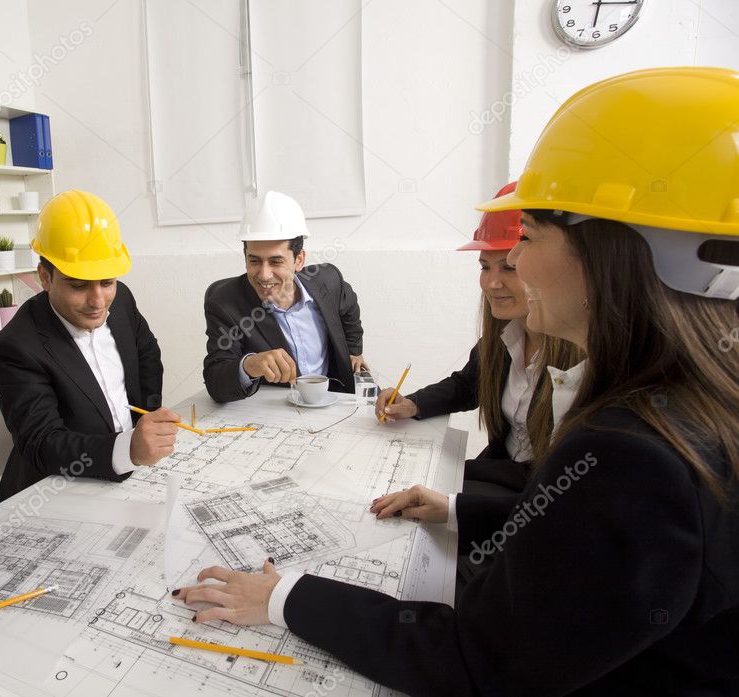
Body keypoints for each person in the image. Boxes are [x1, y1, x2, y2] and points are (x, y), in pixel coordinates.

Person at [174, 68, 739, 695]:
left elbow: (479, 662)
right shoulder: (695, 408)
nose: (513, 266)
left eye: (527, 236)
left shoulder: (630, 453)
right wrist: (456, 509)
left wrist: (286, 596)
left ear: (610, 252)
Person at [377, 182, 582, 496]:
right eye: (485, 267)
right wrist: (413, 404)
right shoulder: (504, 336)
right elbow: (466, 385)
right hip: (499, 472)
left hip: (537, 496)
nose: (492, 282)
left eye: (509, 268)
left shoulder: (581, 362)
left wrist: (453, 511)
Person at [0, 190, 177, 502]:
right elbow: (41, 442)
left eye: (107, 282)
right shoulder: (16, 347)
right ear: (45, 277)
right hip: (55, 488)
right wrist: (125, 450)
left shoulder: (123, 300)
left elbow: (147, 354)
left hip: (134, 473)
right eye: (78, 285)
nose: (98, 301)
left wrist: (148, 416)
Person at [203, 190, 366, 403]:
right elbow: (216, 381)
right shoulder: (225, 301)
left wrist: (353, 351)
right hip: (276, 410)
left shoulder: (328, 279)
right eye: (254, 261)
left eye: (276, 261)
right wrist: (249, 365)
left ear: (299, 260)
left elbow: (349, 308)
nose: (264, 274)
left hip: (334, 400)